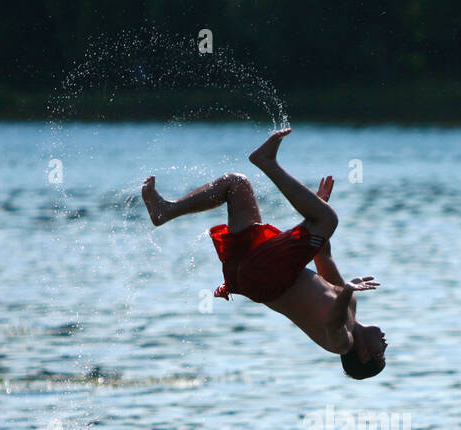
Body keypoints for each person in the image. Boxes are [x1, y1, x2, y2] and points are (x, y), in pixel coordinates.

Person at [143, 128, 388, 379]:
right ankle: (166, 211)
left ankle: (267, 162)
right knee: (236, 185)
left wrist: (346, 287)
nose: (385, 343)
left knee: (327, 220)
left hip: (268, 280)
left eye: (382, 352)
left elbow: (332, 323)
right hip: (260, 271)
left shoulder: (342, 343)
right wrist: (316, 205)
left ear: (365, 354)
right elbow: (322, 254)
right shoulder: (351, 303)